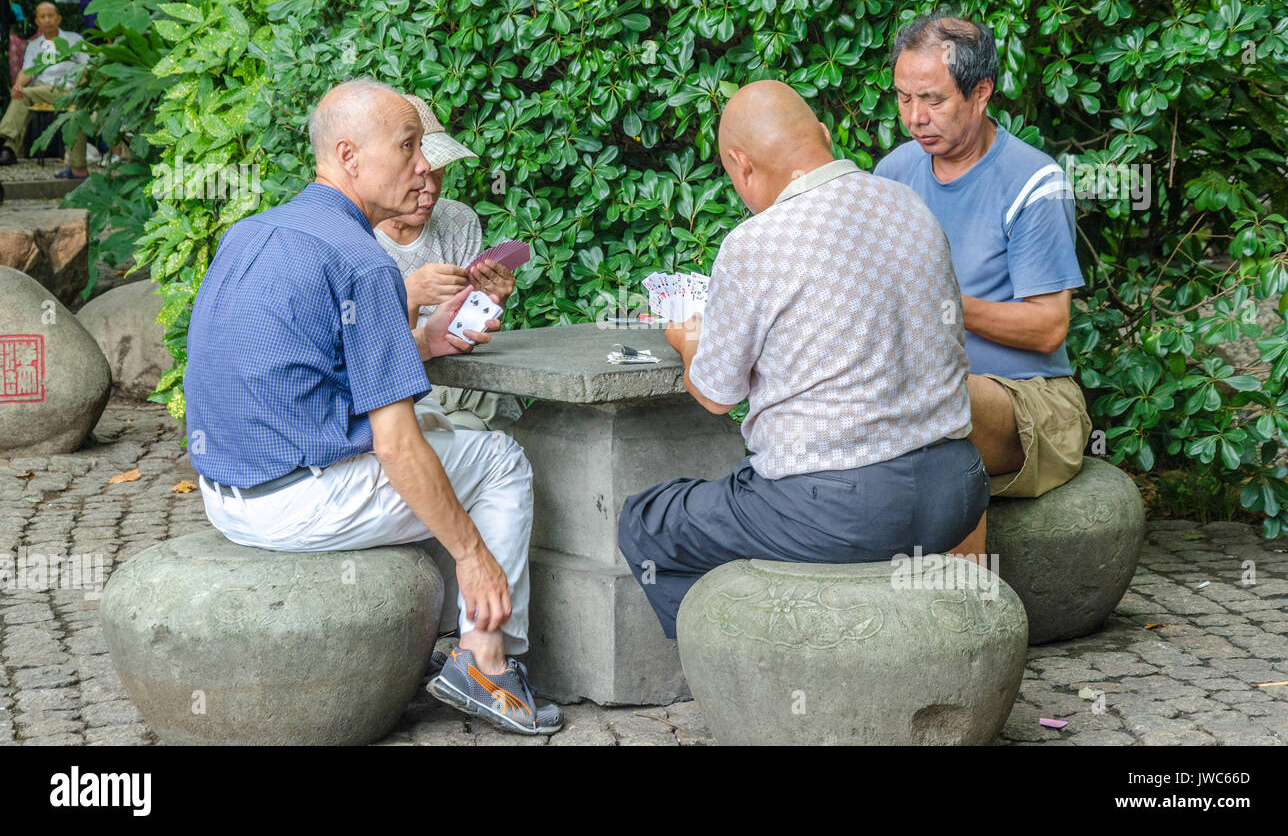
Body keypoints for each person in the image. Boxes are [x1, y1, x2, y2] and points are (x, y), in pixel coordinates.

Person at [184, 78, 561, 735]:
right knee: (497, 459)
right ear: (350, 156)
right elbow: (394, 443)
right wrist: (472, 554)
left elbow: (312, 371)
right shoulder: (364, 262)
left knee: (443, 426)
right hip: (295, 505)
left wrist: (425, 343)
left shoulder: (254, 232)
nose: (426, 167)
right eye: (409, 146)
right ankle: (485, 661)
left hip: (225, 494)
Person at [618, 80, 989, 640]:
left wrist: (688, 335)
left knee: (647, 522)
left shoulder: (755, 242)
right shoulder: (908, 206)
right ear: (822, 134)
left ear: (741, 164)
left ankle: (760, 660)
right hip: (957, 487)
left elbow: (717, 396)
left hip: (838, 510)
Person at [875, 14, 1092, 553]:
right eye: (903, 99)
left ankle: (961, 617)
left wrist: (944, 304)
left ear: (981, 93)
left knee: (937, 404)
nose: (915, 118)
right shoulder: (894, 174)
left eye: (933, 99)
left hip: (1030, 401)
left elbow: (1048, 328)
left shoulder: (1033, 182)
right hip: (921, 387)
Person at [374, 94, 522, 432]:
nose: (429, 190)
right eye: (419, 178)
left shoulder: (459, 219)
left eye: (438, 176)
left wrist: (491, 300)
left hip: (457, 372)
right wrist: (408, 296)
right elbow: (376, 357)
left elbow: (467, 325)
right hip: (397, 383)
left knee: (502, 403)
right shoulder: (356, 236)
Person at [0, 2, 88, 176]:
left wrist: (83, 92)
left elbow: (85, 69)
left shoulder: (74, 40)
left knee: (25, 94)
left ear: (59, 18)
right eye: (42, 16)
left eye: (50, 15)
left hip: (67, 89)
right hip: (41, 90)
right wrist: (18, 85)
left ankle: (4, 140)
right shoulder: (34, 45)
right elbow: (27, 71)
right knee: (21, 94)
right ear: (37, 21)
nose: (47, 20)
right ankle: (7, 149)